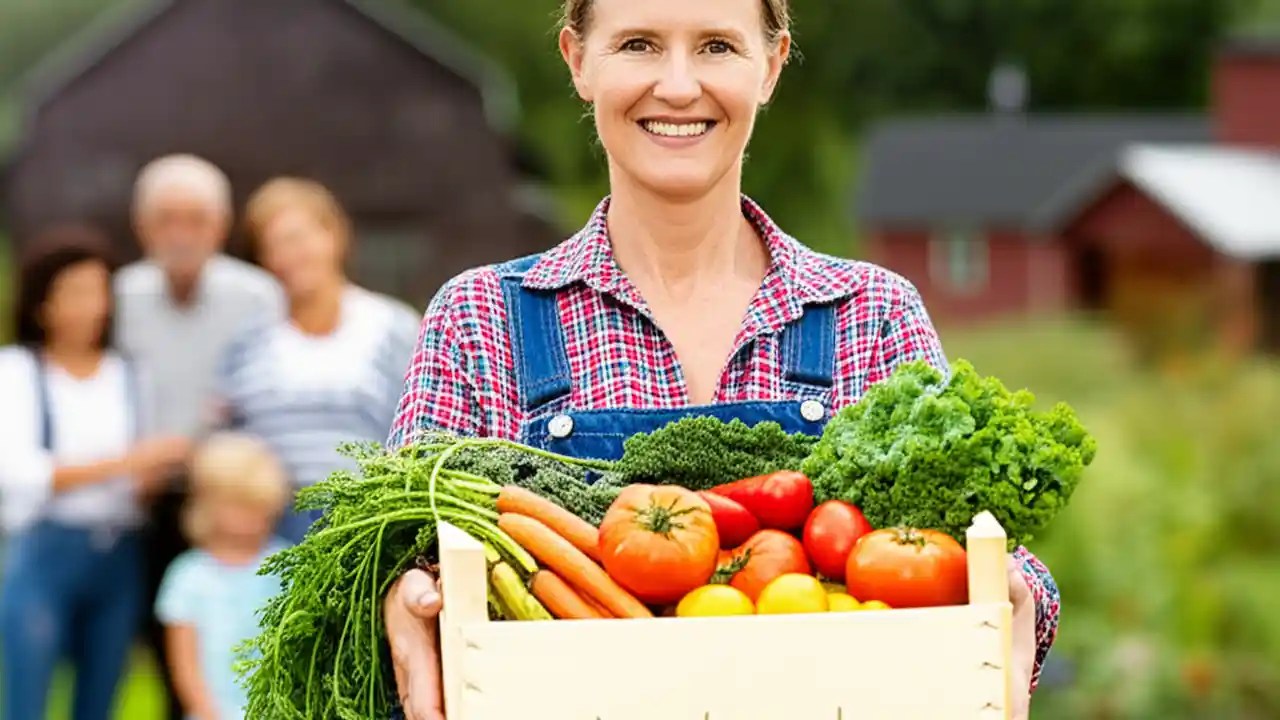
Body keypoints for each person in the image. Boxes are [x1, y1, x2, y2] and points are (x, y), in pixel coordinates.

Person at [379, 1, 1060, 719]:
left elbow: (976, 548)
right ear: (578, 61)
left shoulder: (869, 312)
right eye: (639, 44)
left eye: (716, 47)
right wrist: (401, 595)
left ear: (770, 65)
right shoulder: (482, 318)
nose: (678, 86)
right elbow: (396, 556)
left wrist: (1012, 599)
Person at [115, 153, 284, 720]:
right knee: (166, 645)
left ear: (220, 226)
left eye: (196, 219)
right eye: (165, 219)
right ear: (142, 228)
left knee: (239, 636)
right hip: (142, 502)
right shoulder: (122, 297)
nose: (180, 234)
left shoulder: (257, 297)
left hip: (228, 497)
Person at [0, 226, 190, 720]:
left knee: (101, 699)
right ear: (43, 304)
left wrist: (155, 471)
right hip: (43, 552)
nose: (91, 306)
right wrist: (129, 461)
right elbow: (21, 473)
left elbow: (137, 483)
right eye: (74, 293)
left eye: (98, 291)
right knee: (28, 696)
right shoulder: (17, 371)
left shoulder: (129, 376)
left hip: (117, 553)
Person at [212, 177, 420, 544]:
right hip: (269, 537)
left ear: (334, 236)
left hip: (370, 526)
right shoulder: (246, 342)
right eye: (271, 247)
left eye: (296, 239)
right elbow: (229, 432)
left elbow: (420, 432)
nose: (287, 257)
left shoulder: (395, 329)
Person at [154, 433, 290, 720]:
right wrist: (206, 712)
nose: (248, 518)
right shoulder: (189, 576)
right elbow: (184, 665)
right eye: (238, 505)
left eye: (256, 506)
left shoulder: (285, 565)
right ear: (208, 504)